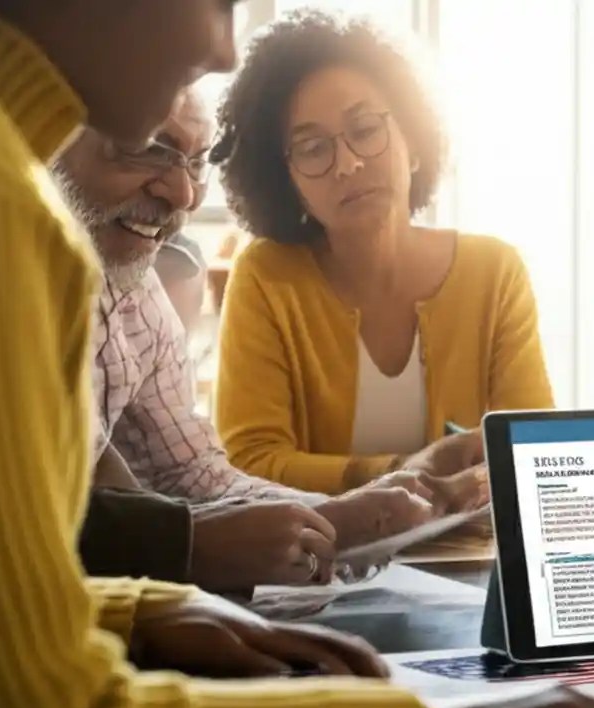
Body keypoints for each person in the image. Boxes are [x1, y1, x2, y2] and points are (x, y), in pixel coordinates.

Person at [0, 0, 594, 708]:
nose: (223, 52)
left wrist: (139, 608)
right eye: (219, 4)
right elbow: (29, 697)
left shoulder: (86, 253)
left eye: (367, 130)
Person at [54, 87, 452, 587]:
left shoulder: (135, 294)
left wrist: (338, 518)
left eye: (198, 162)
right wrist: (194, 544)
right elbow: (18, 514)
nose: (185, 195)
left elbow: (189, 475)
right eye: (147, 149)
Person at [211, 9, 553, 499]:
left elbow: (533, 455)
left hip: (472, 546)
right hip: (325, 549)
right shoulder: (265, 277)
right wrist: (400, 474)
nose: (348, 164)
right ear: (285, 180)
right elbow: (250, 462)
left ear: (413, 140)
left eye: (366, 128)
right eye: (312, 148)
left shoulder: (495, 273)